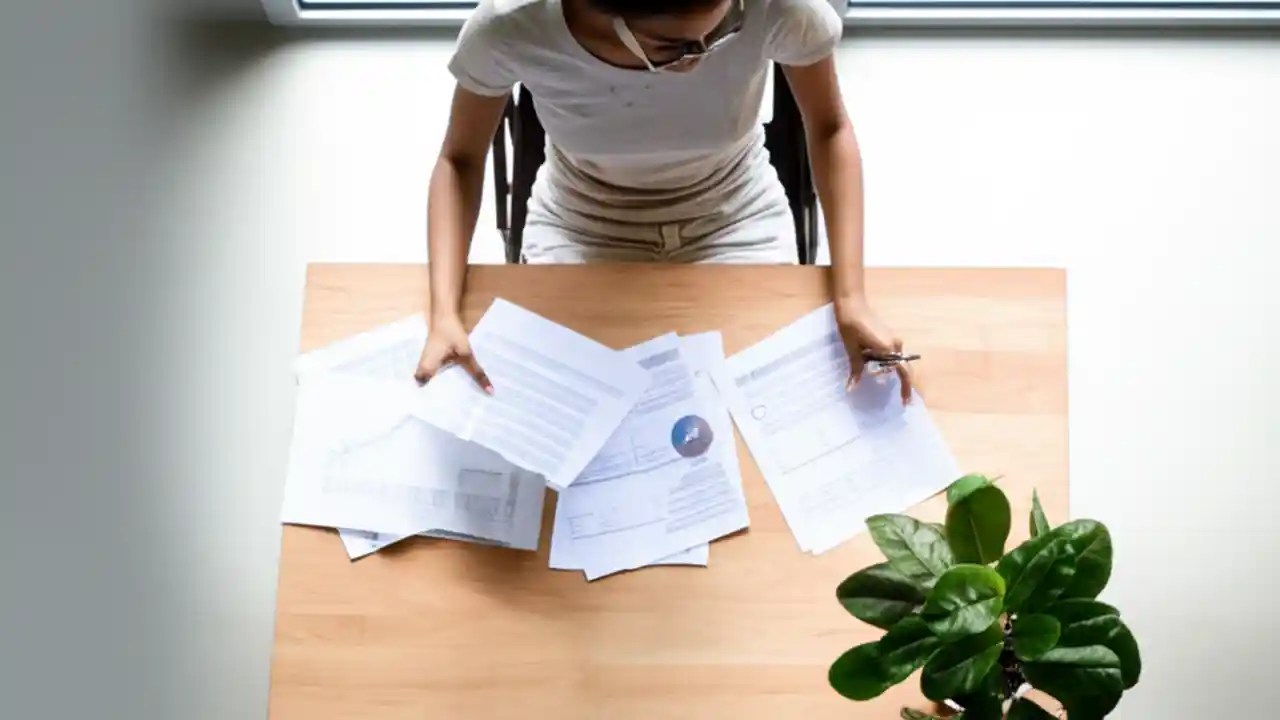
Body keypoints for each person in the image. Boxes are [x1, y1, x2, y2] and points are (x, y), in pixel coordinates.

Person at [415, 0, 912, 401]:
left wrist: (851, 298)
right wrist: (443, 314)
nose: (700, 57)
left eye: (721, 32)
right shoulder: (513, 25)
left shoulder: (775, 7)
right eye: (673, 48)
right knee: (572, 405)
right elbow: (458, 161)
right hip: (583, 222)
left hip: (734, 213)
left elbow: (829, 129)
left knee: (759, 404)